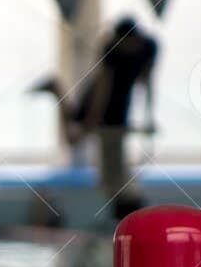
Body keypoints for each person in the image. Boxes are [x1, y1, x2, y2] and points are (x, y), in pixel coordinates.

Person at [33, 17, 158, 195]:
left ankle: (56, 89)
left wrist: (149, 117)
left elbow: (147, 82)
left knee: (83, 140)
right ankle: (56, 90)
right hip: (99, 102)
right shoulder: (111, 50)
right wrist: (93, 119)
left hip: (120, 104)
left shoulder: (149, 48)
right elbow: (102, 87)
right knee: (74, 139)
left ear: (133, 39)